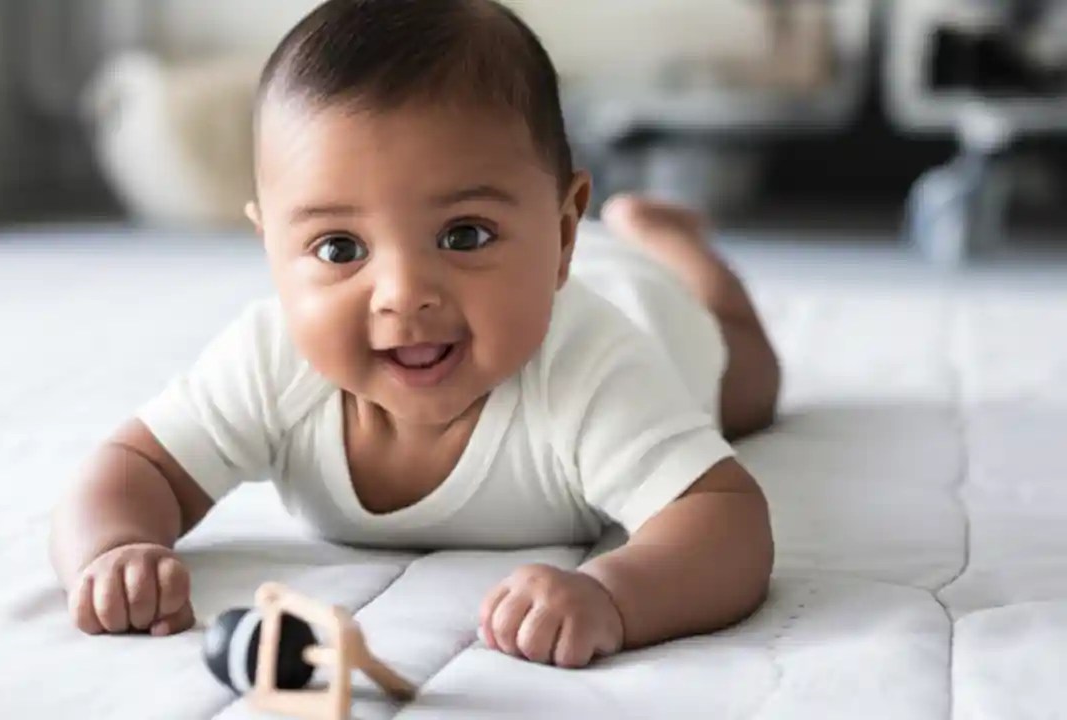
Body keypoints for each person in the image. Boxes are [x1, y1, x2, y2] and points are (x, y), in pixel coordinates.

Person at [50, 0, 781, 669]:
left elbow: (728, 524)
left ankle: (681, 248)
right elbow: (133, 468)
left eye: (464, 235)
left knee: (749, 387)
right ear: (270, 248)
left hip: (650, 310)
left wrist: (616, 596)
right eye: (339, 248)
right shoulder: (271, 359)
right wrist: (115, 550)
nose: (404, 296)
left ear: (562, 234)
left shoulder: (592, 363)